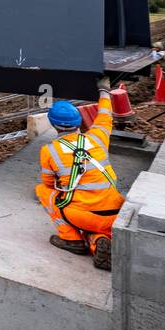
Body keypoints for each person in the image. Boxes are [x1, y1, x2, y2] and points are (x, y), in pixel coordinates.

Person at [35, 78, 125, 271]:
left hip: (82, 216)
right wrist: (104, 90)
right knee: (97, 229)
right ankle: (98, 240)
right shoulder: (98, 137)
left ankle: (71, 238)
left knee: (43, 191)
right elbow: (105, 114)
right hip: (116, 214)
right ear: (78, 121)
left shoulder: (50, 151)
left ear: (53, 124)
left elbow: (48, 183)